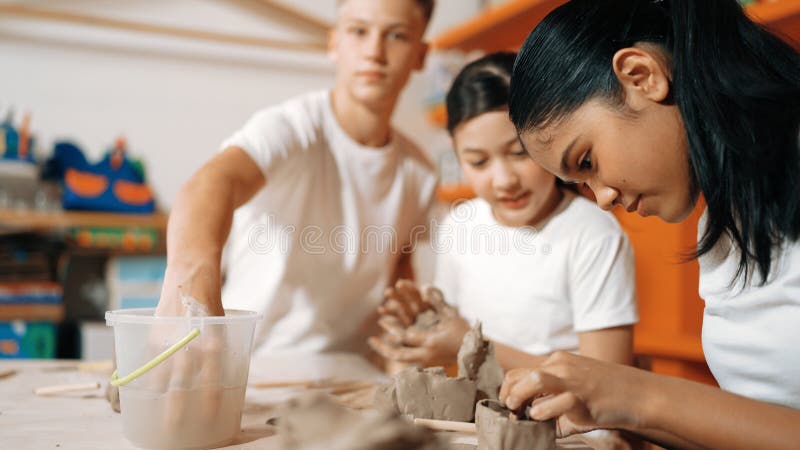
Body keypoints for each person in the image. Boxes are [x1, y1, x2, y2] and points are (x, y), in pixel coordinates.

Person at [500, 0, 800, 448]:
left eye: (588, 161)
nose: (604, 199)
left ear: (641, 76)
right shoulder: (723, 221)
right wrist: (606, 403)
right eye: (581, 183)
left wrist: (640, 395)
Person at [155, 0, 438, 355]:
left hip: (349, 371)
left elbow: (399, 273)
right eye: (358, 31)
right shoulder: (290, 128)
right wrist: (189, 274)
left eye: (396, 35)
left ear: (420, 55)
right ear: (334, 43)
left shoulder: (420, 171)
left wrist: (409, 332)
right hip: (250, 361)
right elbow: (211, 183)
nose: (374, 52)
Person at [368, 53, 638, 373]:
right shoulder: (461, 226)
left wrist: (473, 346)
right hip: (474, 405)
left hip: (562, 408)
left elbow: (607, 378)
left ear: (552, 137)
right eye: (479, 162)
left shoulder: (592, 234)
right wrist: (418, 332)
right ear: (457, 156)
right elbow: (447, 338)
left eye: (520, 153)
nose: (504, 180)